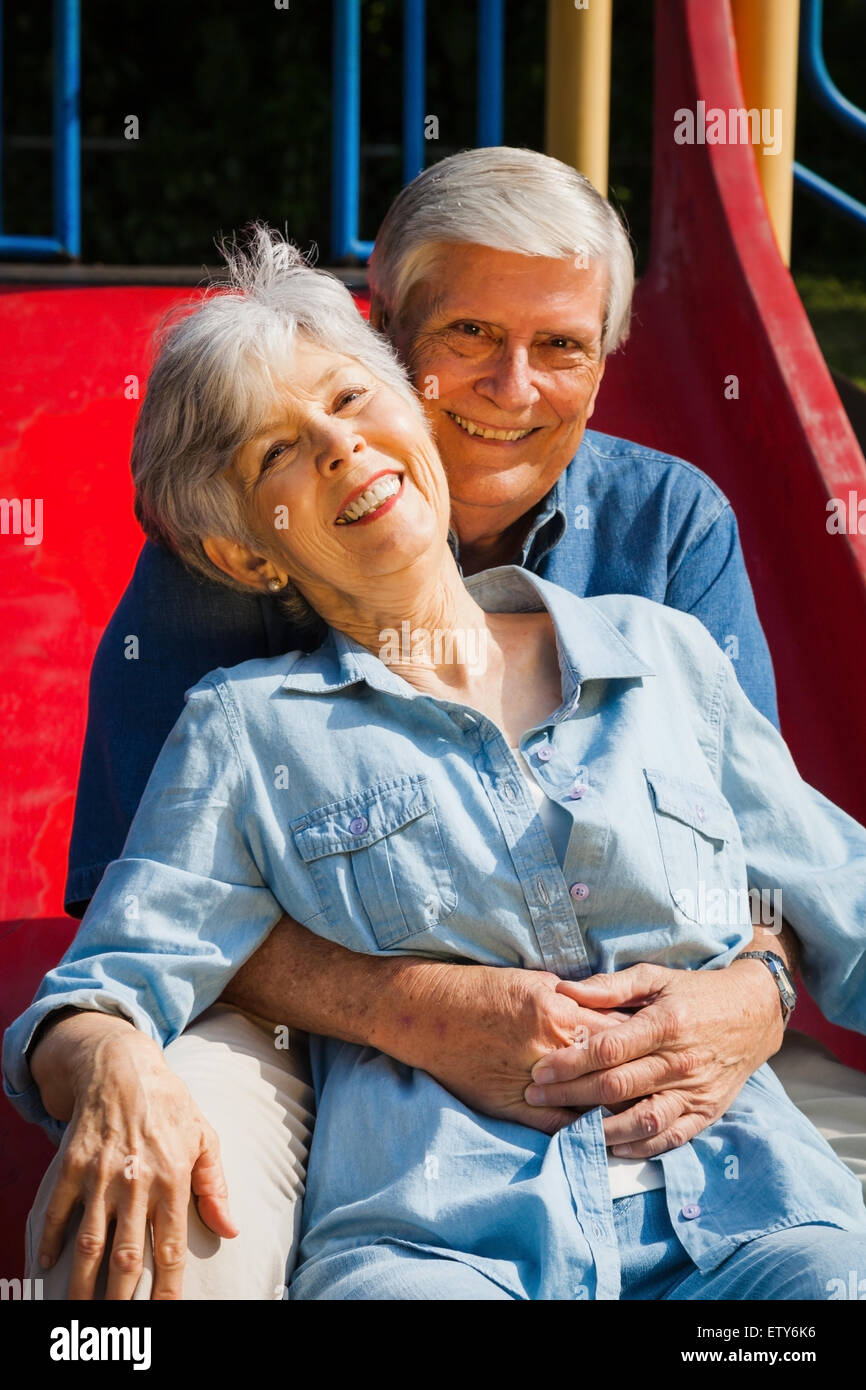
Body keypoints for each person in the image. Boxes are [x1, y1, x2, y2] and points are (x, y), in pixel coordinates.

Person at [23, 149, 866, 1300]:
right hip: (418, 1181)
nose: (511, 386)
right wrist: (408, 1008)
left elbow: (788, 876)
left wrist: (748, 992)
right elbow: (134, 946)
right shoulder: (239, 695)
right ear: (395, 335)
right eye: (469, 334)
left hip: (717, 1204)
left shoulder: (657, 613)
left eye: (560, 344)